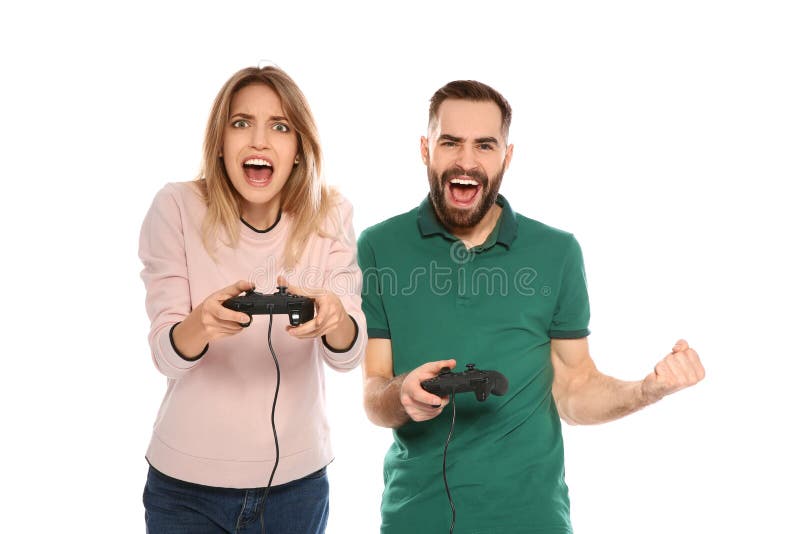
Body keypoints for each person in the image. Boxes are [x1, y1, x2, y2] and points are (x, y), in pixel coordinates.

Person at [358, 80, 705, 533]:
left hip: (532, 520)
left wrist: (647, 390)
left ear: (507, 156)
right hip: (416, 517)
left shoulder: (557, 252)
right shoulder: (379, 246)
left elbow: (574, 388)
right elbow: (374, 393)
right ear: (426, 149)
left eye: (485, 145)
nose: (467, 161)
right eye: (450, 142)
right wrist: (401, 395)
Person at [139, 65, 366, 534]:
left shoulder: (331, 213)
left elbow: (348, 355)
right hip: (185, 488)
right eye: (241, 123)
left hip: (296, 488)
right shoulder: (176, 206)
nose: (259, 141)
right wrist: (201, 324)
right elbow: (165, 355)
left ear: (299, 148)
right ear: (220, 142)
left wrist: (334, 317)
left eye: (280, 127)